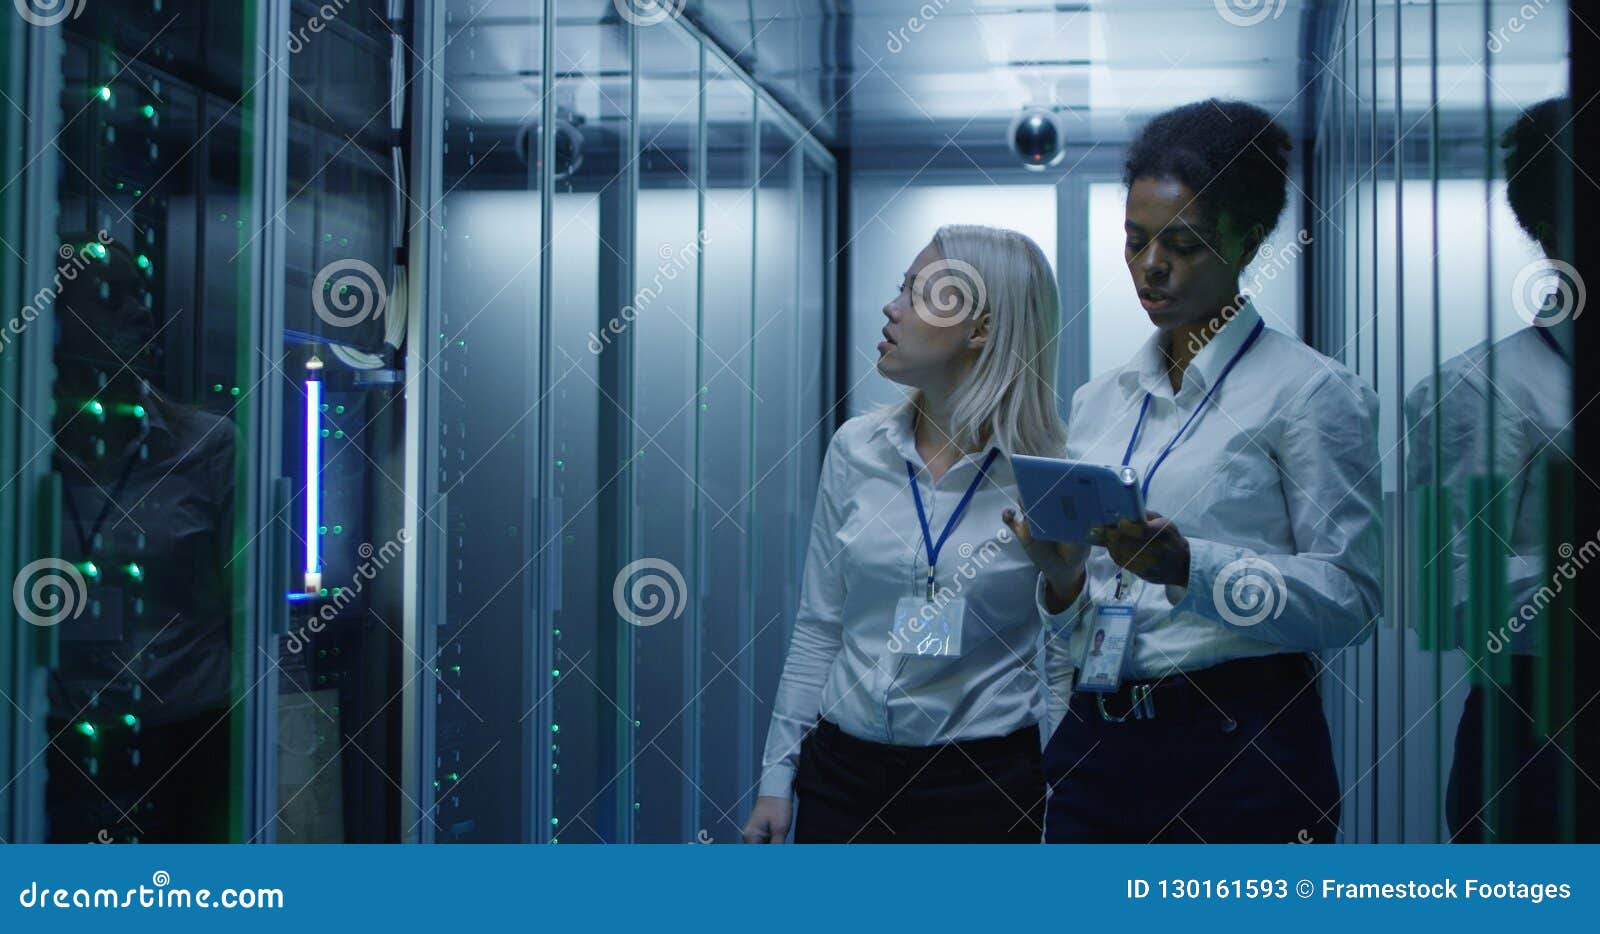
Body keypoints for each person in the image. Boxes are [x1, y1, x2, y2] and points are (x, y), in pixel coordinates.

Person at [1011, 99, 1383, 843]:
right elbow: (1080, 618)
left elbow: (1352, 597)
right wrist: (1061, 583)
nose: (1151, 265)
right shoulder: (1099, 401)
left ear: (1247, 241)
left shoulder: (1308, 391)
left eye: (1182, 244)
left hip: (1240, 749)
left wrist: (1192, 568)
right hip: (1098, 743)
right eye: (1137, 239)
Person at [742, 224, 1073, 843]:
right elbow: (819, 626)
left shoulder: (1048, 475)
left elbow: (1059, 661)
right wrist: (775, 778)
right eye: (901, 289)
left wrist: (1060, 804)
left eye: (920, 294)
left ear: (981, 330)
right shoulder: (855, 449)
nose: (892, 309)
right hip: (841, 777)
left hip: (986, 790)